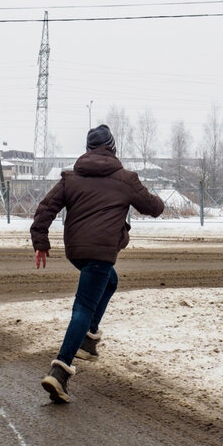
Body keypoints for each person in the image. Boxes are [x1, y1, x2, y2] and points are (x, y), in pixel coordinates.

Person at [31, 124, 164, 403]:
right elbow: (152, 207)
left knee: (110, 281)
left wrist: (41, 241)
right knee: (83, 307)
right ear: (112, 148)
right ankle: (60, 370)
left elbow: (45, 208)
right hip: (101, 251)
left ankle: (89, 338)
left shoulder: (70, 178)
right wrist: (159, 201)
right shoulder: (125, 179)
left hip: (76, 250)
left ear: (88, 149)